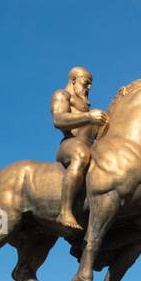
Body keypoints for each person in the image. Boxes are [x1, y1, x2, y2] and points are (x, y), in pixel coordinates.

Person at [51, 66, 109, 232]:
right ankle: (65, 211)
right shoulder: (62, 95)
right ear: (73, 80)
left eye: (90, 85)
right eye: (86, 83)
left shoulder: (90, 111)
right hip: (71, 144)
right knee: (81, 155)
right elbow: (59, 119)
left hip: (92, 148)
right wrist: (89, 117)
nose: (88, 87)